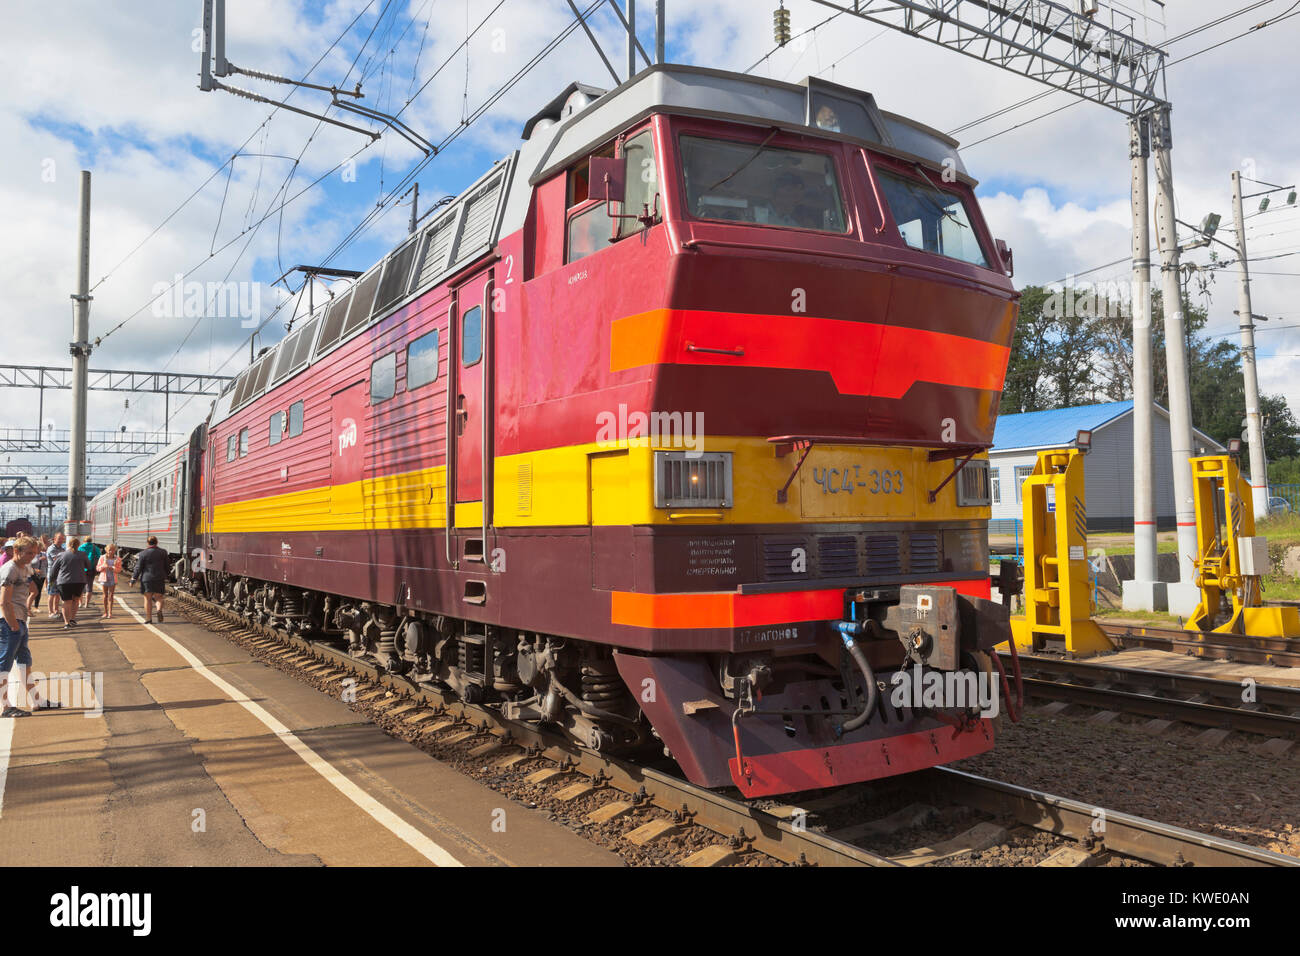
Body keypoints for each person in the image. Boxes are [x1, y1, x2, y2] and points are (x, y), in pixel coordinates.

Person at [0, 536, 41, 717]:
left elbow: (33, 589)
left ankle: (37, 701)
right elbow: (3, 602)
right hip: (9, 623)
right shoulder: (9, 570)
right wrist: (14, 626)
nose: (32, 556)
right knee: (3, 666)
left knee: (25, 663)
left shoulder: (24, 568)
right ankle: (5, 706)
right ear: (17, 551)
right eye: (29, 553)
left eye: (34, 553)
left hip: (19, 621)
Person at [49, 536, 91, 629]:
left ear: (68, 544)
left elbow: (53, 569)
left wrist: (52, 581)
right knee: (75, 600)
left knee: (66, 602)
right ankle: (72, 619)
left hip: (64, 582)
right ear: (78, 545)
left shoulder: (61, 555)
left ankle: (66, 622)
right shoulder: (83, 554)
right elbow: (88, 566)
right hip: (79, 581)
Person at [132, 536, 169, 624]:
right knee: (159, 597)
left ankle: (148, 618)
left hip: (146, 579)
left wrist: (134, 578)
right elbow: (167, 565)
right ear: (157, 542)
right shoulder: (163, 552)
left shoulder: (143, 553)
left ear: (147, 543)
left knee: (147, 599)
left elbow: (138, 567)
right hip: (159, 578)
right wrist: (166, 575)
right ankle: (159, 610)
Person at [97, 545, 123, 620]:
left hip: (112, 578)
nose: (111, 551)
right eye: (109, 550)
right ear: (106, 550)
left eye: (113, 550)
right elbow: (98, 568)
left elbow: (119, 570)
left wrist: (114, 568)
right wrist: (103, 566)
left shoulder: (118, 559)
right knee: (105, 595)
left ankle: (110, 613)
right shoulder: (102, 557)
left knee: (111, 595)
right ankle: (105, 612)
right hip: (104, 578)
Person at [78, 536, 103, 609]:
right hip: (91, 569)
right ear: (91, 541)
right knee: (89, 587)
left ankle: (80, 603)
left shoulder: (80, 548)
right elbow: (99, 557)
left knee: (81, 587)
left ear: (84, 541)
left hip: (81, 569)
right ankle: (86, 604)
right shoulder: (96, 548)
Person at [46, 532, 66, 618]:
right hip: (52, 575)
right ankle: (50, 612)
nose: (61, 540)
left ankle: (56, 610)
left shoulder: (62, 548)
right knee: (51, 593)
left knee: (58, 594)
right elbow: (57, 560)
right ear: (54, 539)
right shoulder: (51, 549)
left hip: (59, 574)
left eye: (62, 539)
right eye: (59, 538)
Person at [27, 535, 48, 617]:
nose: (38, 549)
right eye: (37, 547)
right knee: (32, 591)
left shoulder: (44, 554)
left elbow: (47, 564)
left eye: (39, 547)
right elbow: (28, 565)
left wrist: (45, 560)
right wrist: (38, 561)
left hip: (42, 575)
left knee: (38, 591)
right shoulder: (32, 555)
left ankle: (36, 606)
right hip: (33, 574)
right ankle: (28, 607)